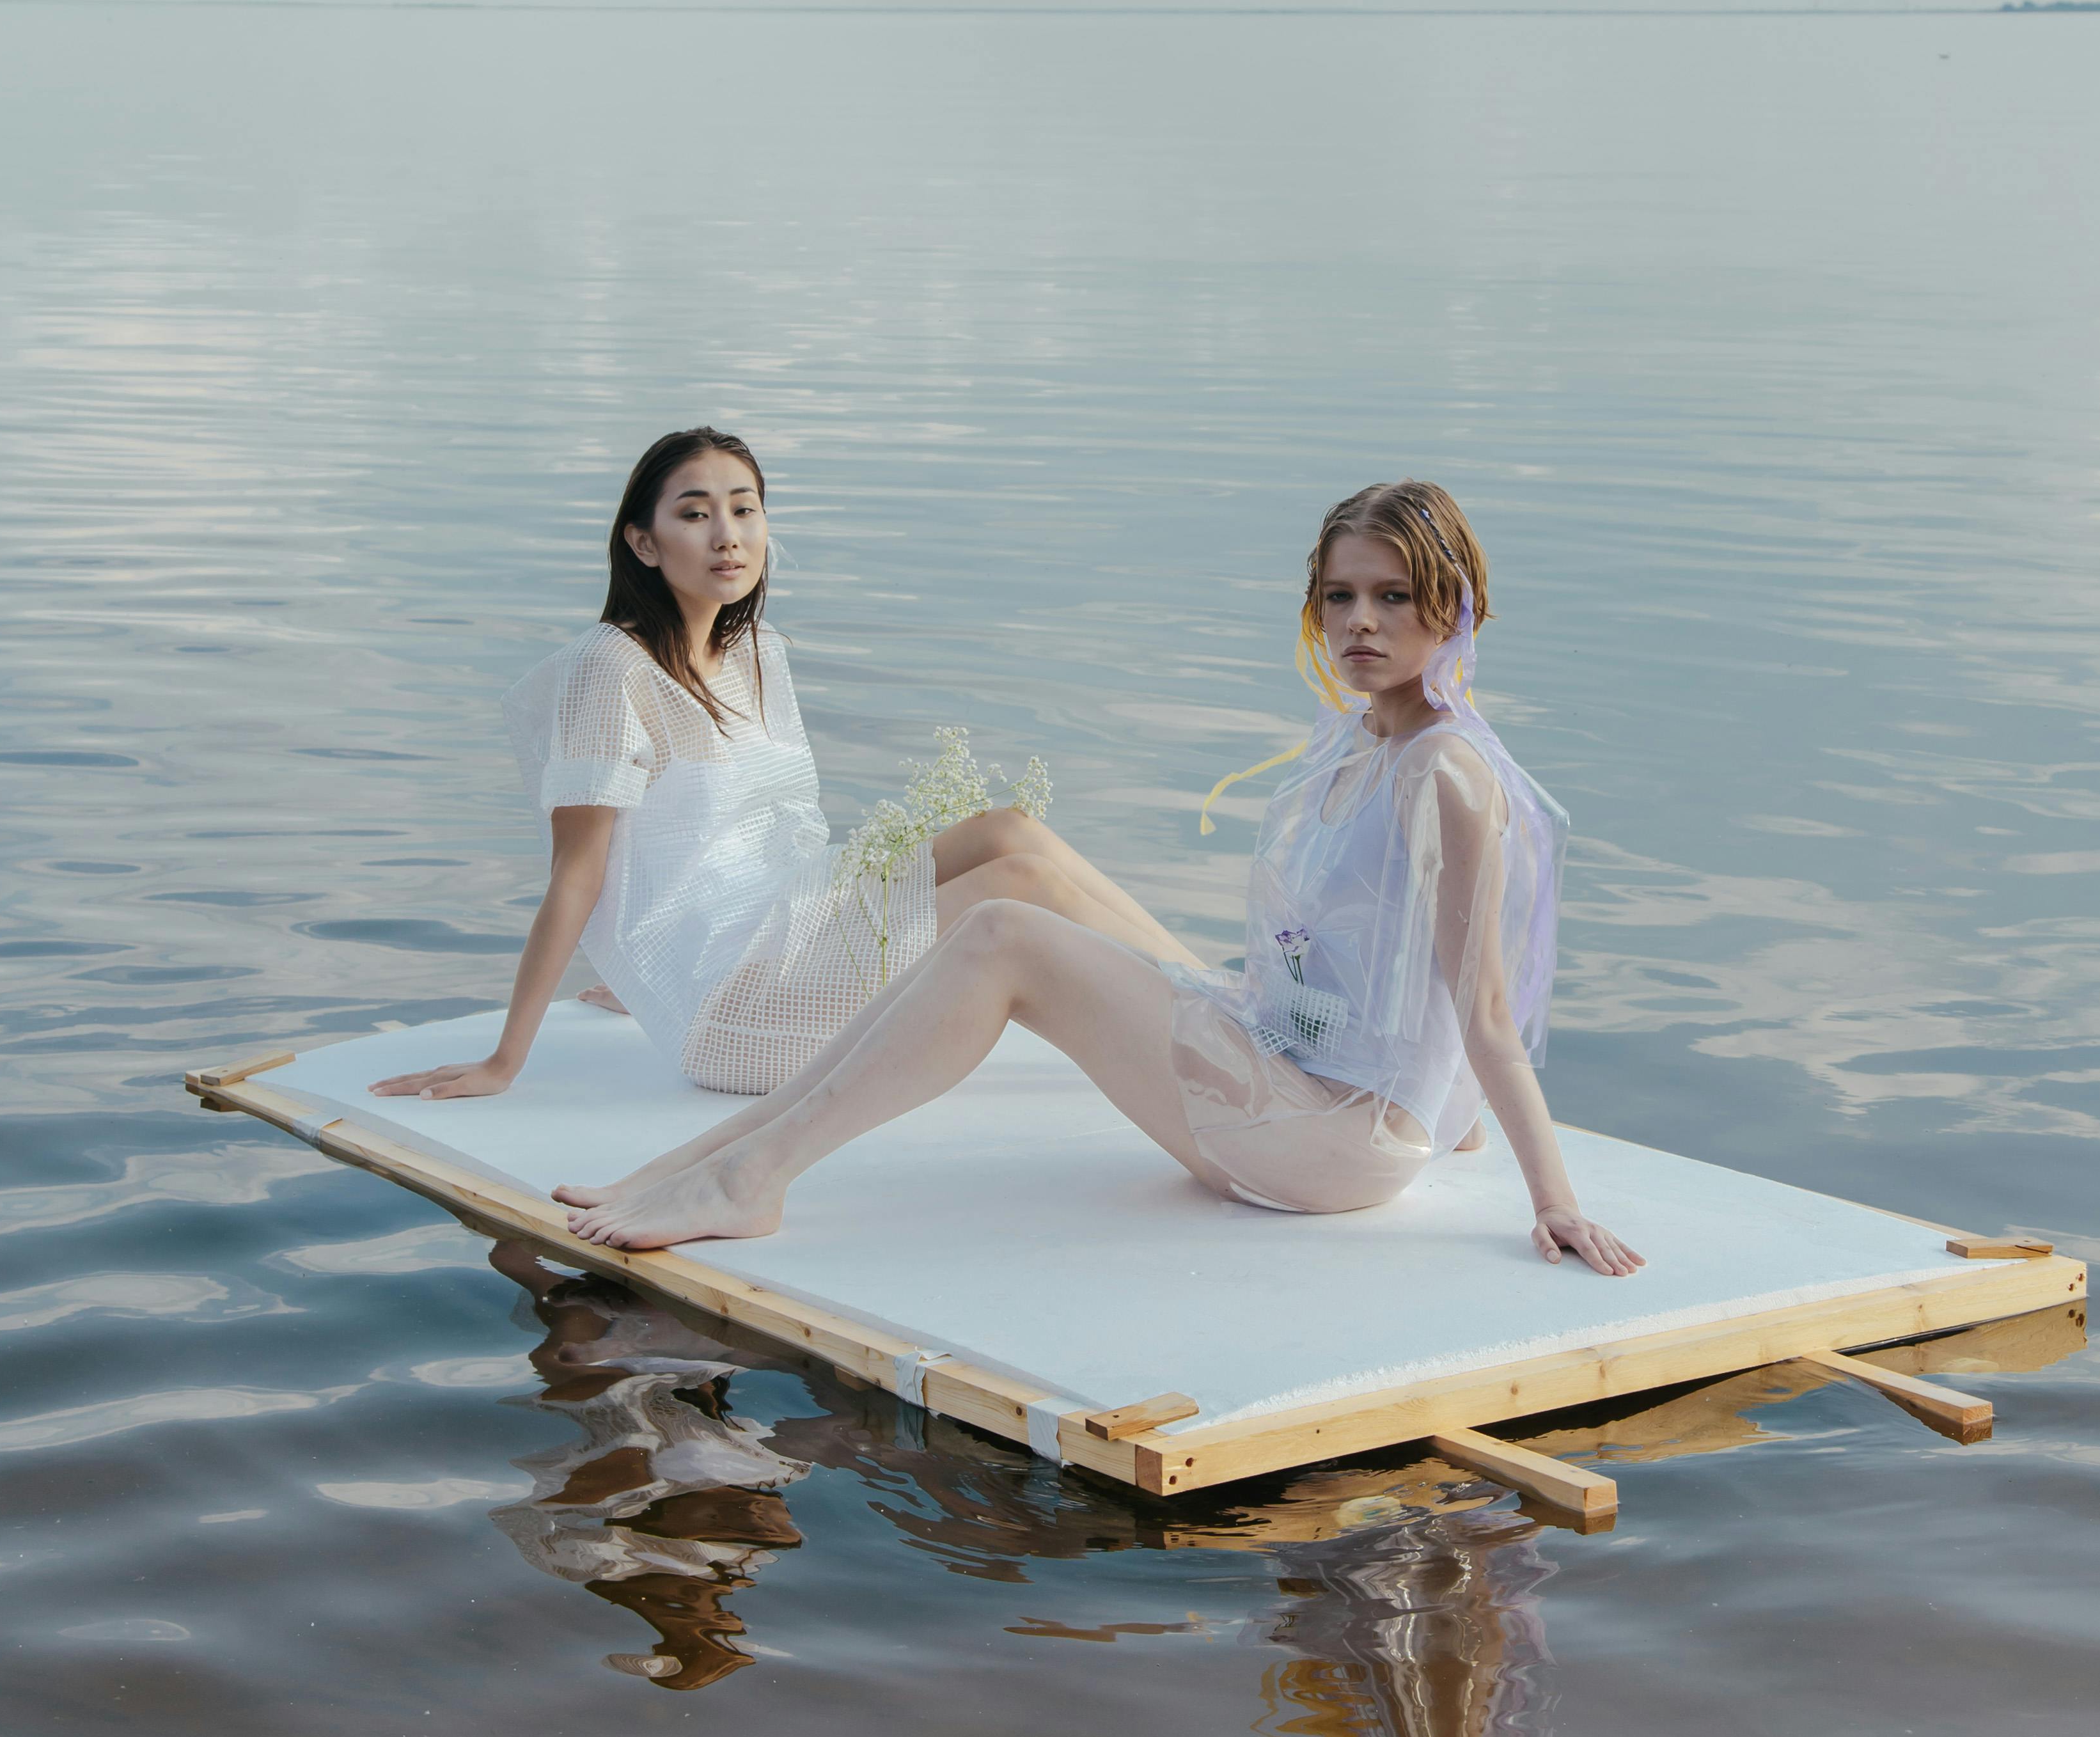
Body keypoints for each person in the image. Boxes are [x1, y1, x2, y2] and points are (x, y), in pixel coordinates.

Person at [554, 480, 1643, 1278]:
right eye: (1339, 596)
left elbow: (1485, 1009)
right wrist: (1444, 1112)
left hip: (1326, 1148)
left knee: (1001, 936)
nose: (1359, 623)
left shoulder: (1446, 771)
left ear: (1452, 609)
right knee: (1023, 893)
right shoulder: (1358, 739)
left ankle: (747, 1180)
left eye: (1394, 598)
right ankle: (713, 1156)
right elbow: (1367, 957)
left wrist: (1551, 1201)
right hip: (1290, 1090)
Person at [370, 426, 1197, 1109]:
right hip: (740, 1018)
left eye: (744, 509)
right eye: (694, 514)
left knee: (1009, 831)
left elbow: (759, 836)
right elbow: (578, 875)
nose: (727, 535)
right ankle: (1221, 1030)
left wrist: (637, 975)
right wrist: (505, 1061)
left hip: (791, 931)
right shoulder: (610, 671)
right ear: (641, 541)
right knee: (1023, 884)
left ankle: (1220, 996)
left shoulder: (757, 650)